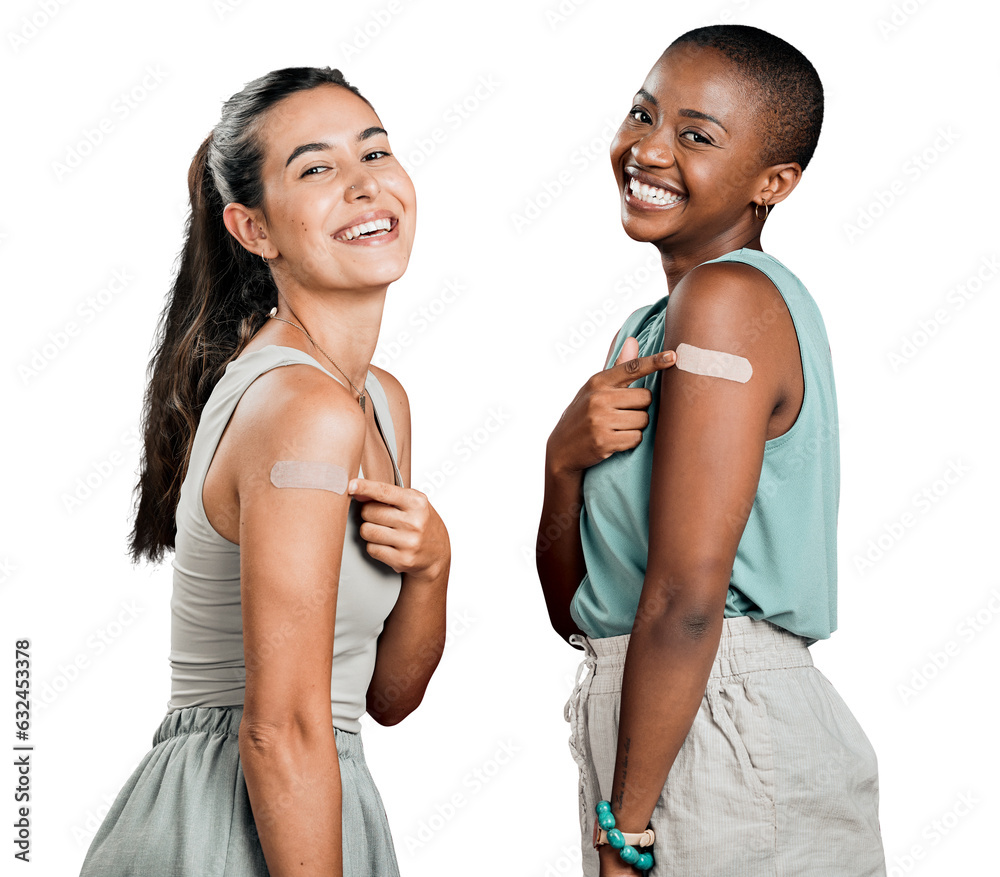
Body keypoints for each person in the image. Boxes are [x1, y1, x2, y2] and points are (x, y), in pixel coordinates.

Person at [79, 67, 450, 877]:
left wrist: (431, 569)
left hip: (322, 797)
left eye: (375, 152)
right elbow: (278, 727)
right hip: (231, 820)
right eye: (316, 168)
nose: (364, 185)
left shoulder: (379, 402)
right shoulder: (300, 409)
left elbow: (379, 700)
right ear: (254, 229)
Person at [536, 25, 886, 877]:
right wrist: (562, 463)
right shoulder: (646, 331)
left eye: (696, 134)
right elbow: (577, 612)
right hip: (653, 716)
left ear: (775, 182)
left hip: (724, 729)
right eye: (642, 113)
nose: (648, 149)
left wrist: (629, 829)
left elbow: (689, 597)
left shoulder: (729, 300)